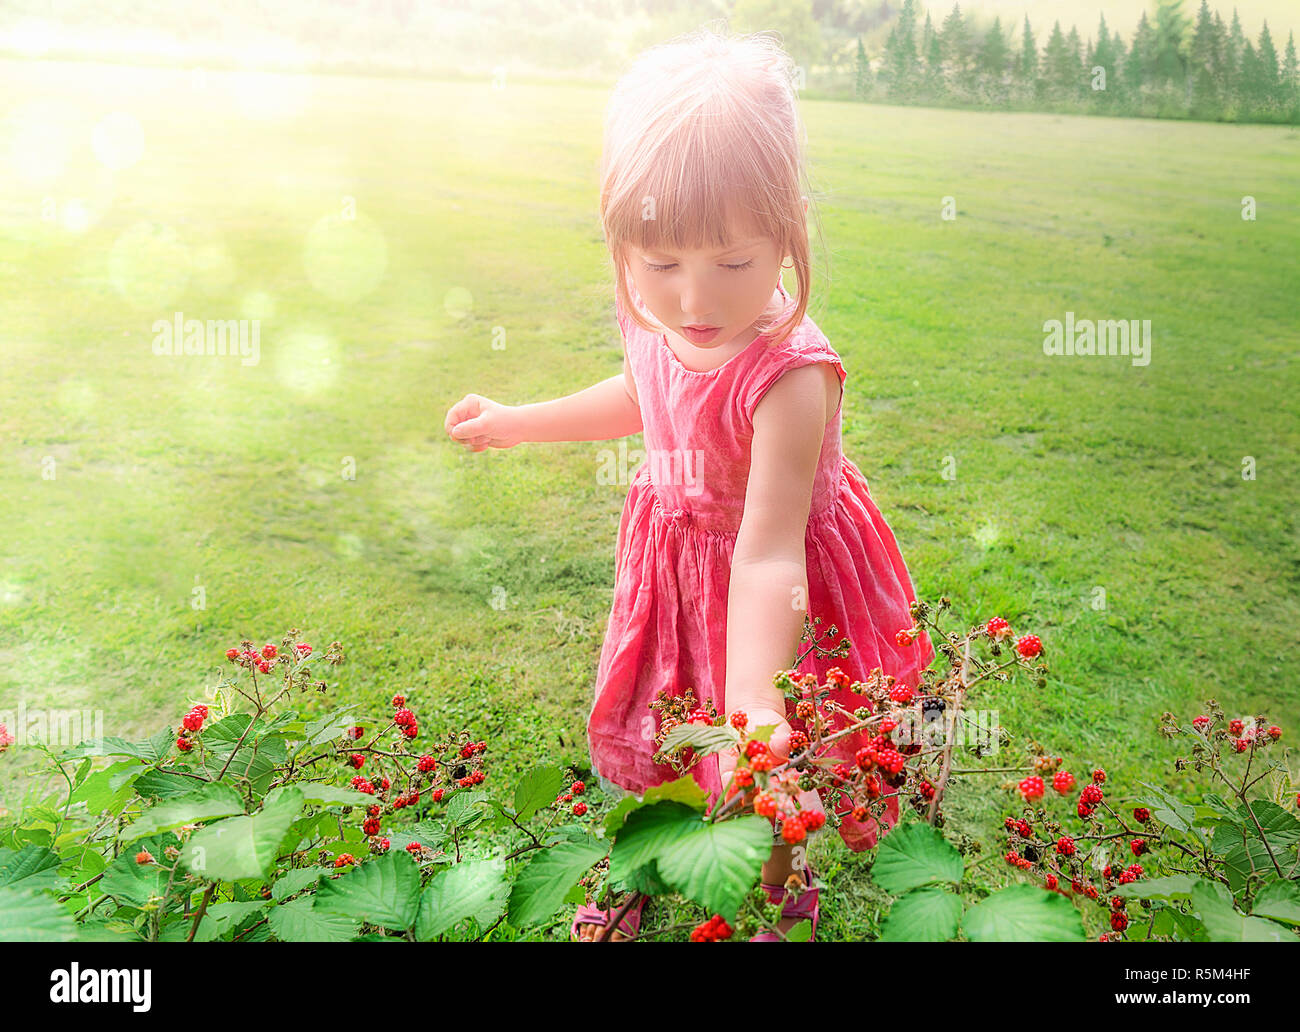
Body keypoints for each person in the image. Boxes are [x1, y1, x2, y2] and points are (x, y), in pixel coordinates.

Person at [445, 25, 934, 941]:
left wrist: (756, 698)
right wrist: (518, 420)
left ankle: (783, 895)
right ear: (622, 236)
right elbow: (640, 392)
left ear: (786, 233)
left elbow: (767, 550)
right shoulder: (657, 319)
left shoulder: (790, 377)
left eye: (733, 265)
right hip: (676, 563)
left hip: (776, 582)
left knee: (764, 760)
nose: (695, 303)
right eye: (662, 265)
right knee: (663, 727)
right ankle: (644, 864)